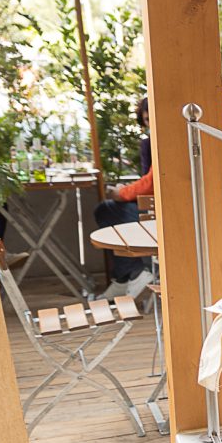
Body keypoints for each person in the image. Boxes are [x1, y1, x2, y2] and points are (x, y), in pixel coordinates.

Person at [94, 96, 155, 299]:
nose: (150, 124)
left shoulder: (165, 142)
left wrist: (121, 192)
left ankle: (134, 273)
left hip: (165, 210)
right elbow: (148, 181)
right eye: (147, 120)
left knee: (107, 210)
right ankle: (125, 276)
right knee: (107, 209)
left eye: (152, 118)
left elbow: (152, 183)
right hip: (155, 202)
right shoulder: (150, 143)